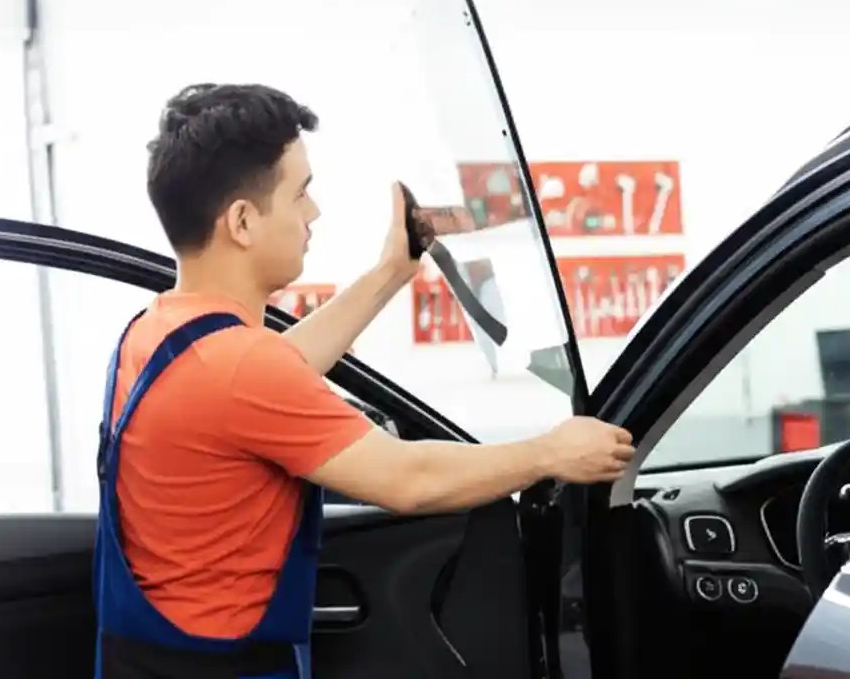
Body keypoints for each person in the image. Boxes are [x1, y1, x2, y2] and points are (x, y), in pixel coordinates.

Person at [92, 82, 635, 679]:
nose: (313, 212)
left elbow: (270, 377)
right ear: (243, 221)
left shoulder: (155, 333)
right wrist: (549, 452)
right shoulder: (240, 369)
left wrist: (389, 273)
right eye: (300, 194)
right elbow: (408, 479)